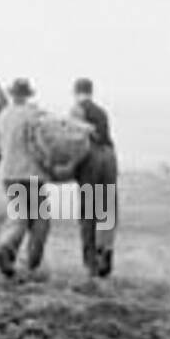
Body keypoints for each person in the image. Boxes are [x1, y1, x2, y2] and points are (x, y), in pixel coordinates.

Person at [0, 78, 47, 278]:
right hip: (30, 173)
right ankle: (29, 261)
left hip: (8, 173)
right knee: (39, 219)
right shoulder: (32, 115)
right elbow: (40, 144)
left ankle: (7, 253)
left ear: (12, 94)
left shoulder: (3, 115)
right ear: (27, 95)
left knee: (18, 213)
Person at [71, 78, 118, 277]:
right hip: (109, 158)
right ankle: (105, 254)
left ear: (75, 92)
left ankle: (91, 263)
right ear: (91, 92)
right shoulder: (102, 112)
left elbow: (75, 140)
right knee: (106, 211)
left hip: (92, 160)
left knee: (88, 213)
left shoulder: (76, 110)